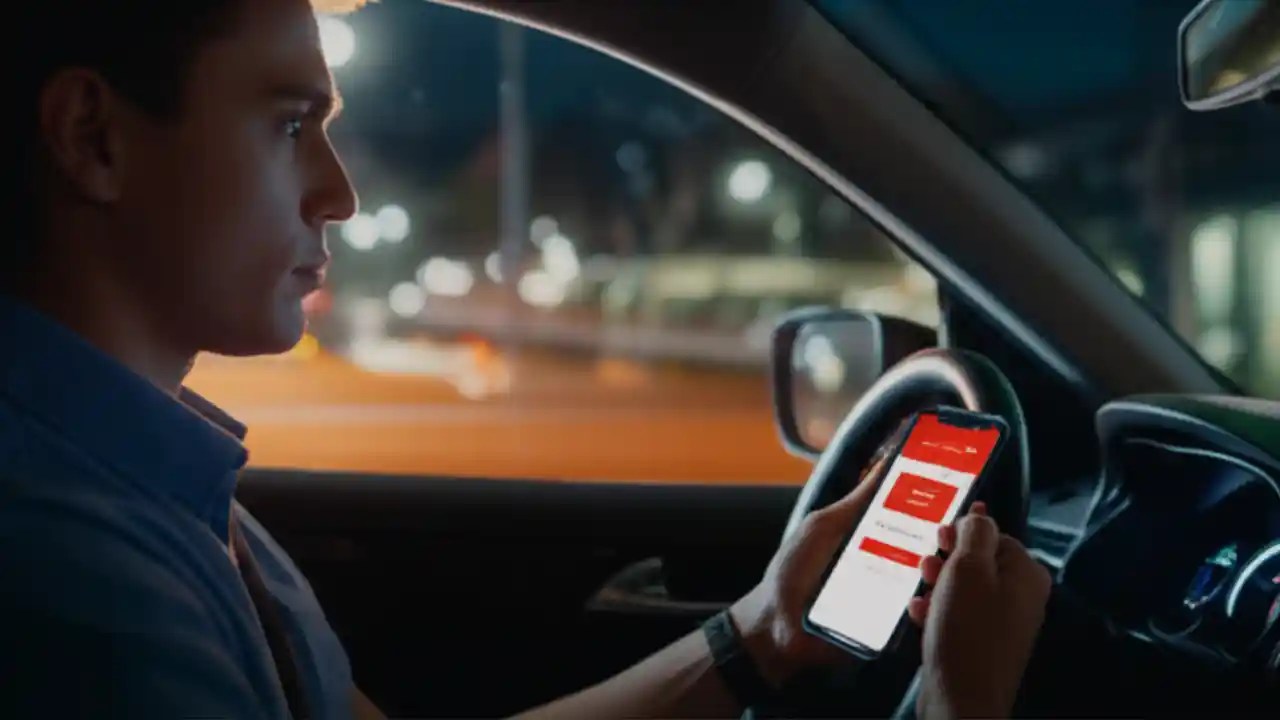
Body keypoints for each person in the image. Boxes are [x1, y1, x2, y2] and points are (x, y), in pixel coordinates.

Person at [0, 1, 1052, 718]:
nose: (339, 193)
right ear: (94, 136)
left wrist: (756, 634)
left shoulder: (154, 485)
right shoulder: (68, 574)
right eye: (289, 125)